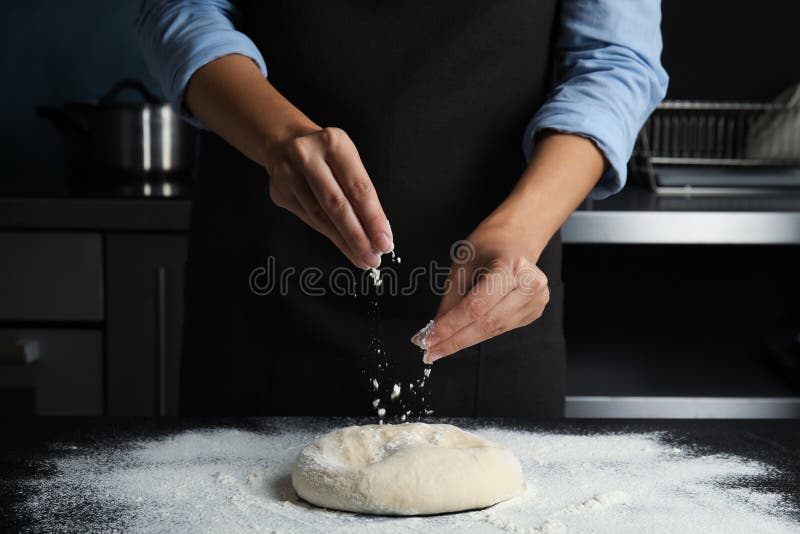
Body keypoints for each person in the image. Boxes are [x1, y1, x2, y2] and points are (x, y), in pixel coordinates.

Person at [138, 0, 668, 418]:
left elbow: (614, 61)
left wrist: (521, 228)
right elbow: (181, 9)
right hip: (261, 294)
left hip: (493, 297)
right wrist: (279, 139)